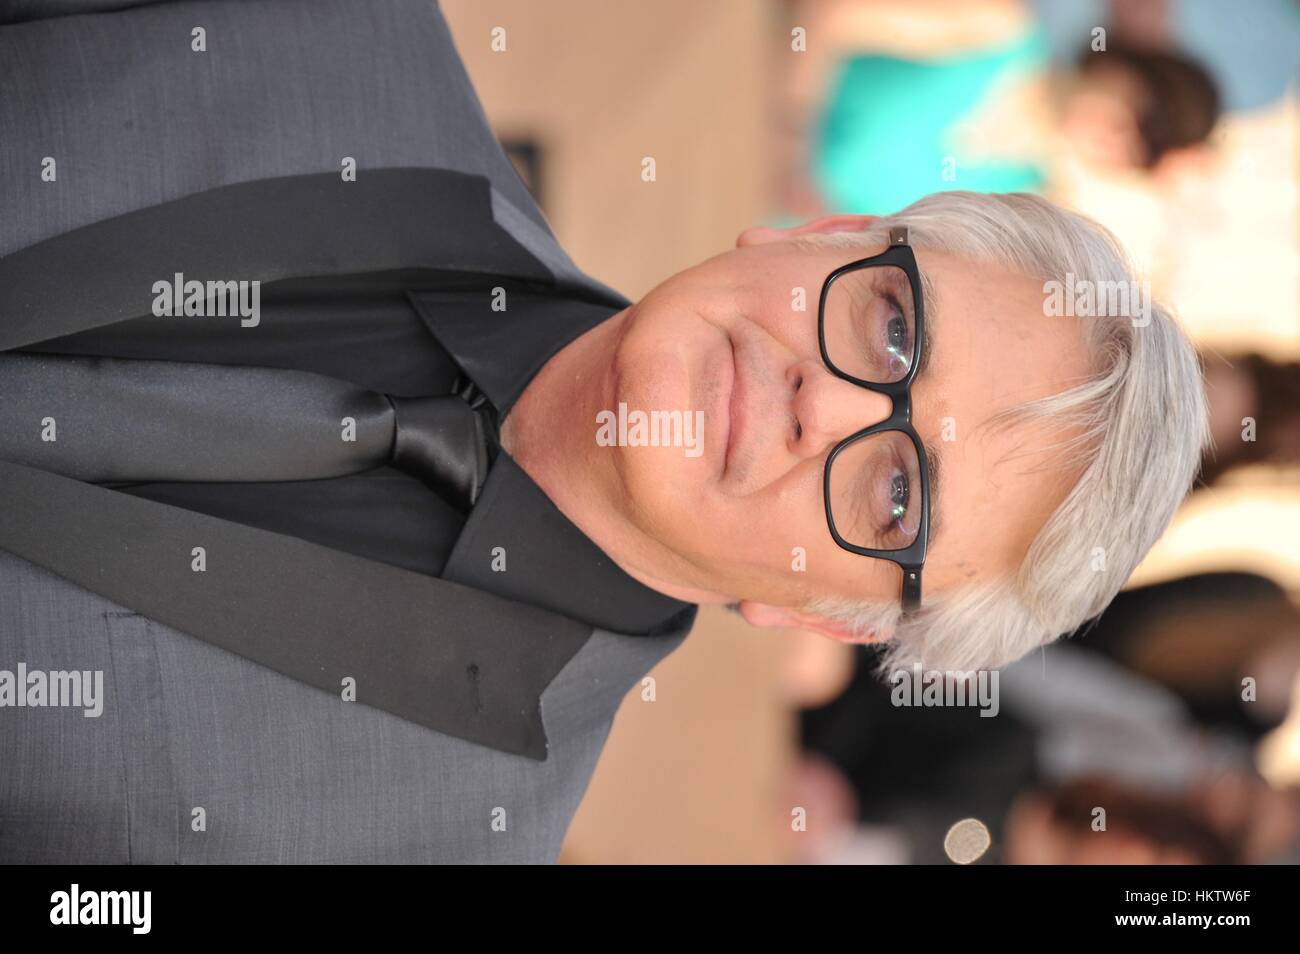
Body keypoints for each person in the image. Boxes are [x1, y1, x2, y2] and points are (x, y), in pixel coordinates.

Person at [0, 0, 1208, 862]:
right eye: (894, 330)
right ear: (818, 232)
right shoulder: (332, 28)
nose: (822, 404)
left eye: (898, 498)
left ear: (820, 618)